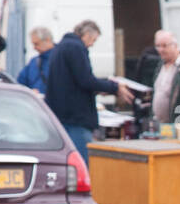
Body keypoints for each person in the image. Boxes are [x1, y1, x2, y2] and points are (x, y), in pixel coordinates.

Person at [45, 20, 134, 159]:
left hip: (61, 116)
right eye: (93, 40)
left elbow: (73, 82)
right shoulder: (76, 48)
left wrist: (100, 88)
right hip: (76, 118)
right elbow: (86, 80)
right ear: (86, 34)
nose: (92, 44)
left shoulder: (60, 47)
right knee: (82, 162)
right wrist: (114, 87)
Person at [139, 30, 180, 127]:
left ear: (175, 45)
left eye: (164, 46)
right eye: (158, 46)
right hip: (159, 126)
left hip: (177, 126)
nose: (160, 50)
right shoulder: (159, 66)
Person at [16, 27, 55, 94]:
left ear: (48, 40)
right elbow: (20, 83)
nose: (34, 48)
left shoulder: (61, 60)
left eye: (36, 44)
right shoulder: (33, 62)